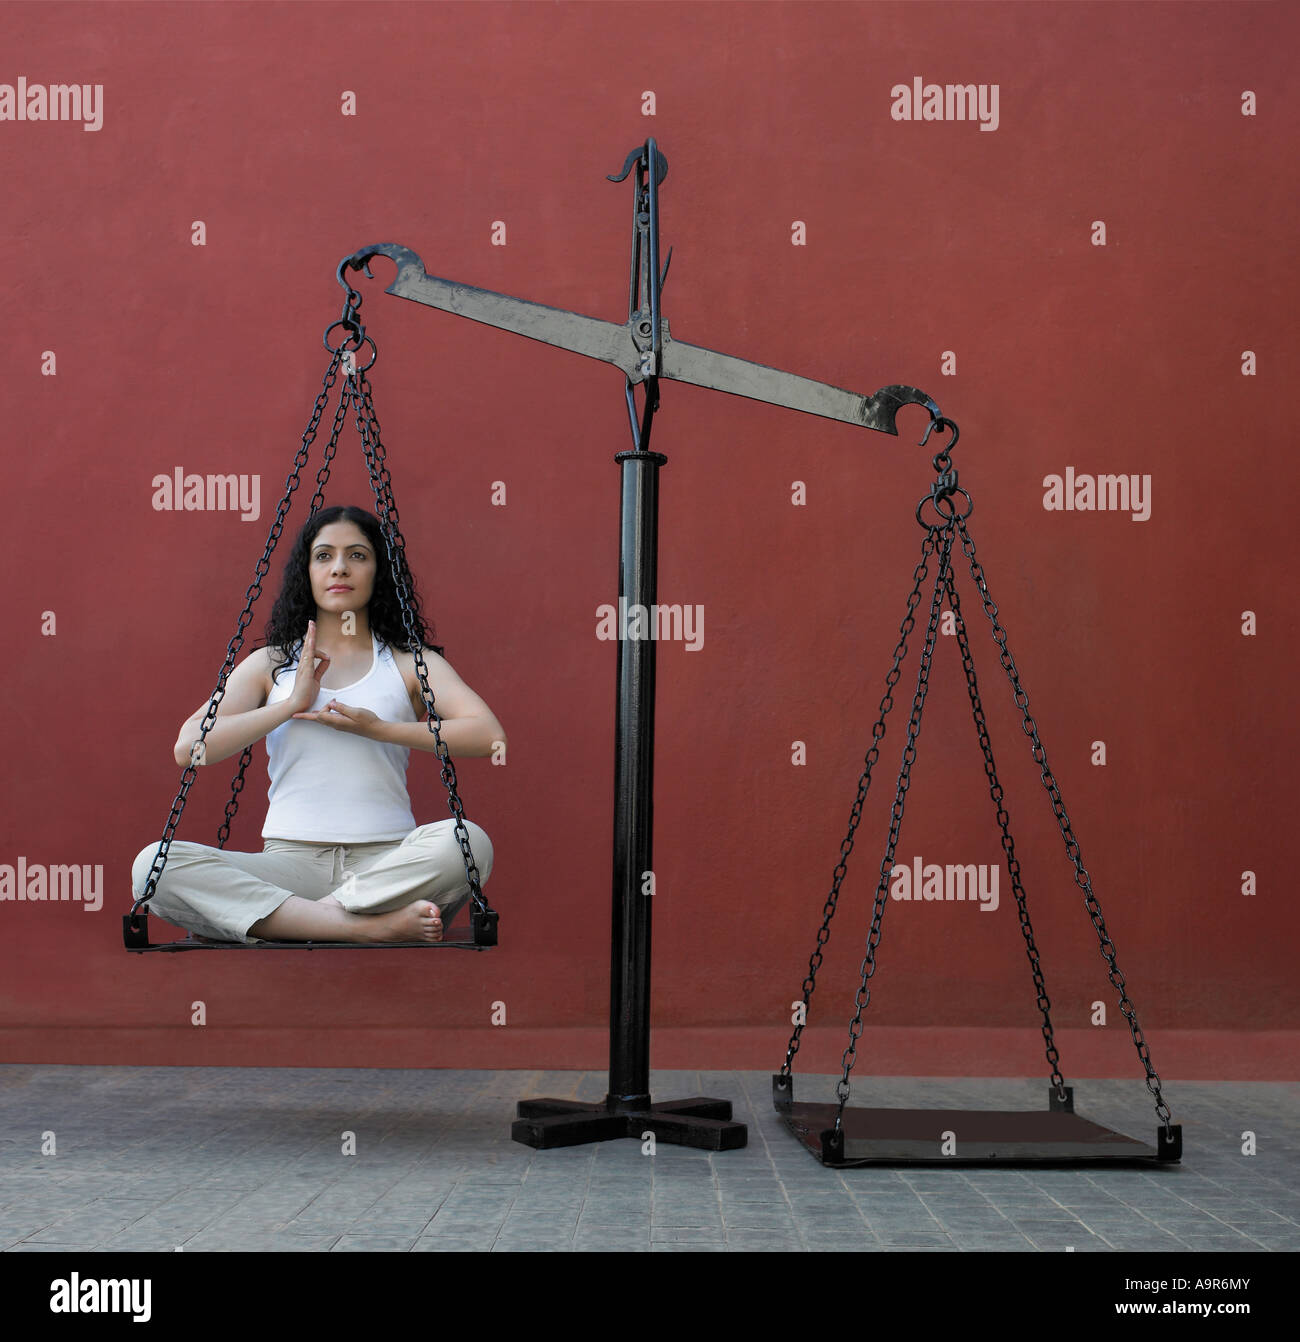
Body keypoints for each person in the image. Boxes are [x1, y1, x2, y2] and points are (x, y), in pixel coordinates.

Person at [130, 504, 505, 945]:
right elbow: (190, 747)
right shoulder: (270, 663)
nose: (340, 567)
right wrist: (290, 704)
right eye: (324, 555)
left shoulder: (410, 663)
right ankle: (369, 928)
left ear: (379, 570)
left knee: (468, 843)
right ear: (306, 571)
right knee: (153, 867)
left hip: (386, 870)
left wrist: (377, 728)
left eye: (358, 555)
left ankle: (313, 920)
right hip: (288, 868)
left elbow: (488, 735)